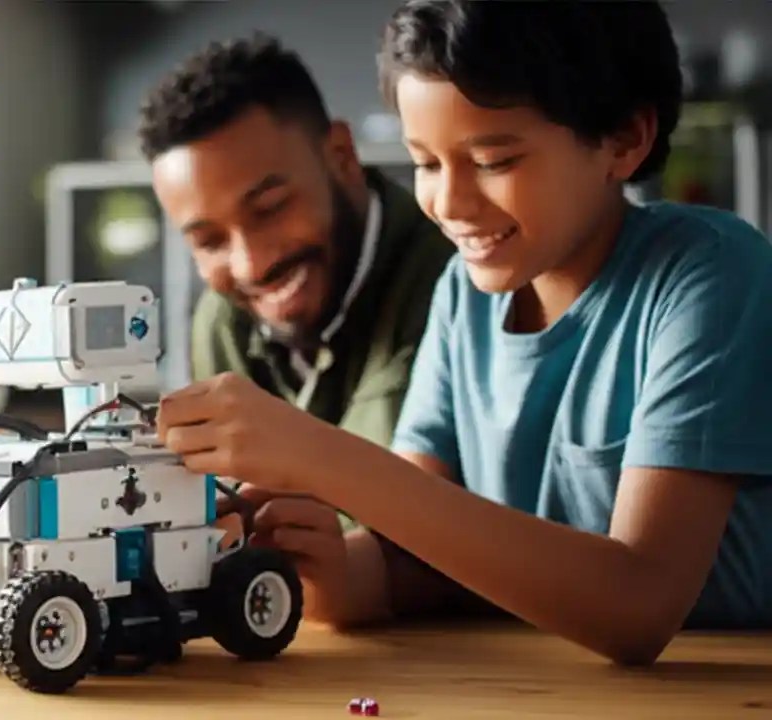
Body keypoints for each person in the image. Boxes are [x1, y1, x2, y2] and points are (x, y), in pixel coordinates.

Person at [155, 0, 772, 666]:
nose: (447, 204)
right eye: (425, 163)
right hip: (551, 682)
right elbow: (410, 555)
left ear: (623, 140)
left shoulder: (706, 274)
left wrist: (317, 456)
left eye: (492, 161)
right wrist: (332, 569)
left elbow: (640, 605)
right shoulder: (462, 294)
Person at [137, 34, 453, 451]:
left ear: (341, 156)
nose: (251, 265)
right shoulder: (221, 323)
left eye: (270, 208)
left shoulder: (452, 280)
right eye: (210, 241)